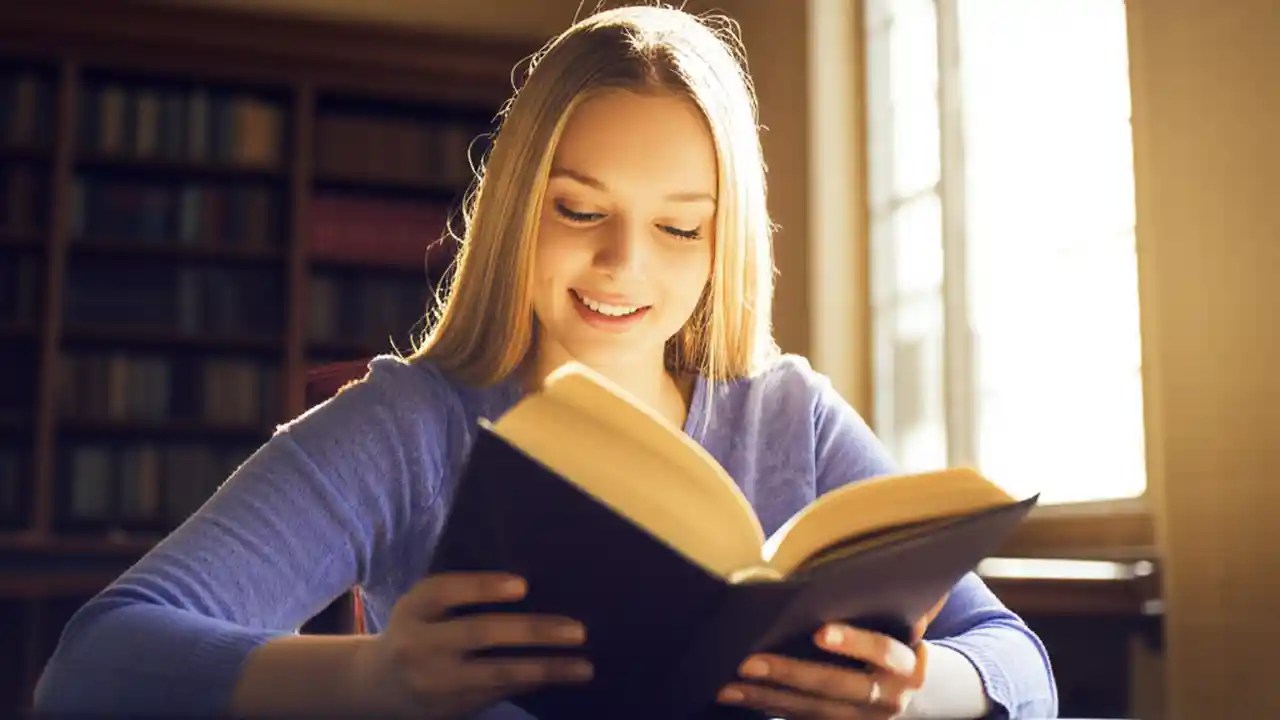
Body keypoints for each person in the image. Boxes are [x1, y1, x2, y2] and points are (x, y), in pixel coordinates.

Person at [33, 6, 1057, 719]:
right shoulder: (412, 425)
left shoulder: (792, 417)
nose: (623, 264)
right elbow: (93, 662)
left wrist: (911, 692)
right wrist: (374, 681)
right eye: (578, 210)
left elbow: (1019, 665)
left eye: (680, 227)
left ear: (725, 244)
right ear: (517, 208)